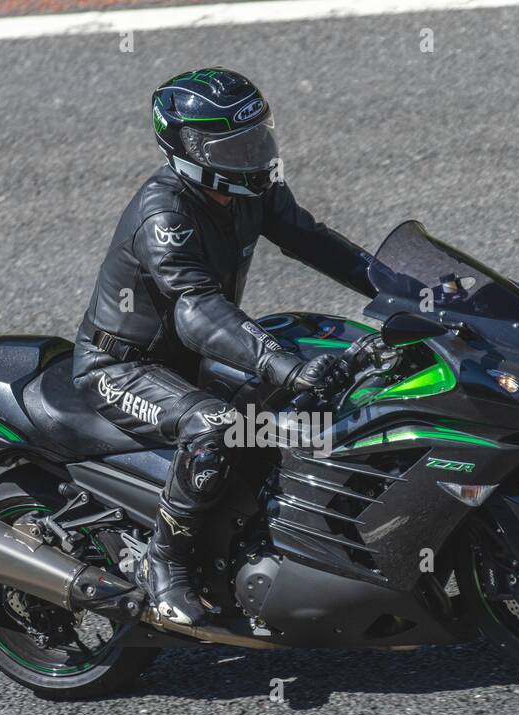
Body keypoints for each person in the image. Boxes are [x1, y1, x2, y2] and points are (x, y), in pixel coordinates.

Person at [73, 67, 377, 627]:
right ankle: (166, 566)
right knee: (213, 425)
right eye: (236, 146)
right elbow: (196, 311)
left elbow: (314, 240)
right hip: (121, 366)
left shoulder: (251, 190)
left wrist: (408, 287)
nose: (255, 154)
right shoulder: (164, 216)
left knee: (315, 398)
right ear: (189, 149)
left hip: (189, 357)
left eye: (259, 137)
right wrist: (286, 366)